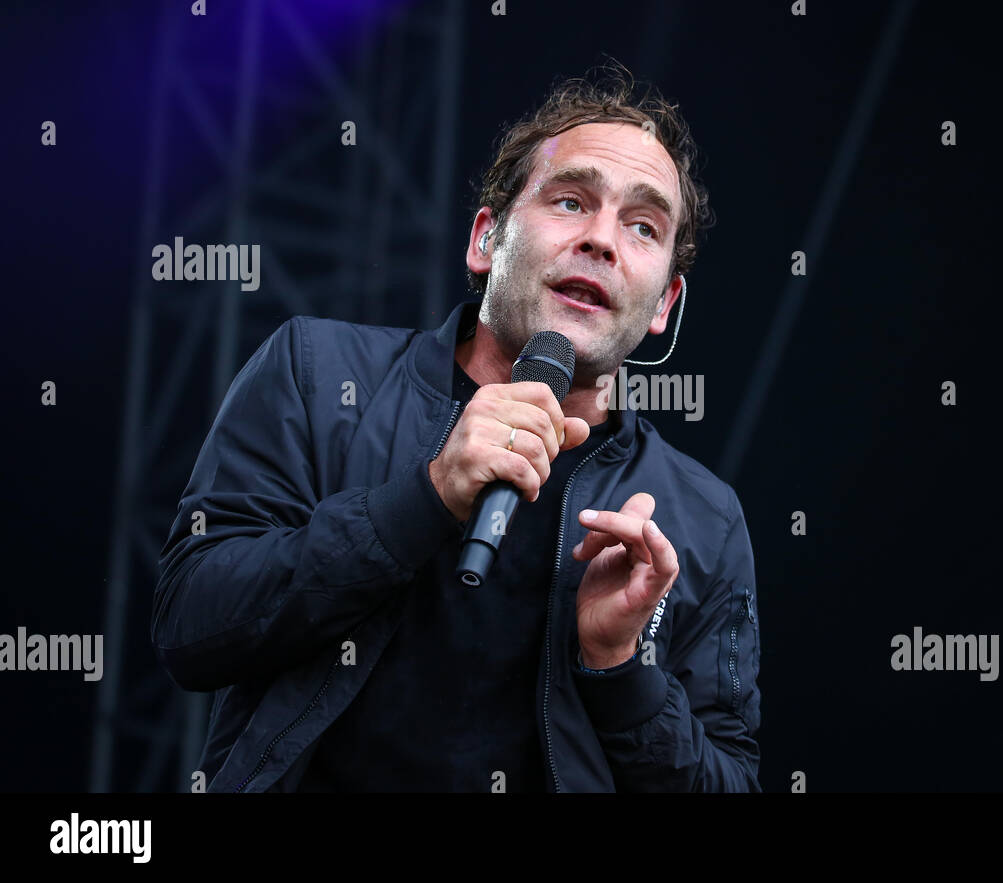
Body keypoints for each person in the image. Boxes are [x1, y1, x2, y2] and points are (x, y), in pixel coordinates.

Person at [152, 62, 761, 792]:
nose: (602, 239)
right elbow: (191, 625)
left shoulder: (702, 516)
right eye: (570, 201)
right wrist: (423, 499)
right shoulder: (316, 371)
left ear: (663, 303)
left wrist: (618, 667)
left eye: (642, 225)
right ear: (485, 240)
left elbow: (730, 778)